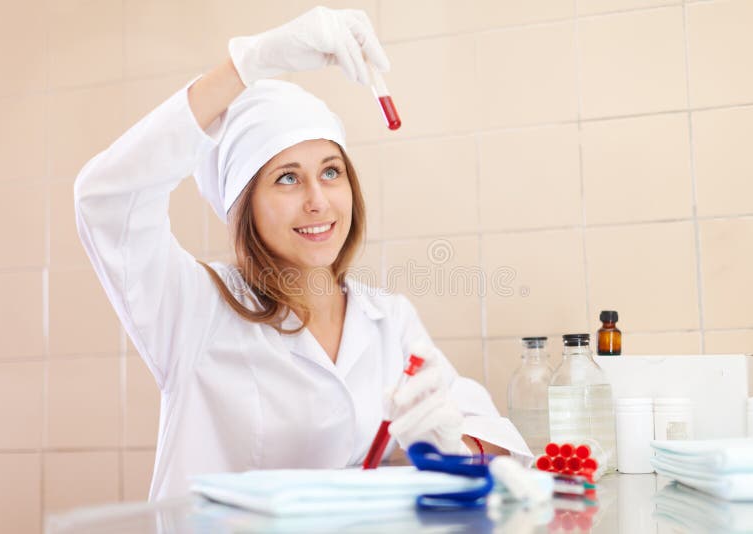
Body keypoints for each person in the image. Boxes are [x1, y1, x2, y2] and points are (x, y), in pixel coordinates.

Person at [74, 7, 532, 501]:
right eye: (288, 178)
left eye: (331, 172)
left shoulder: (388, 320)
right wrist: (248, 64)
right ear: (244, 204)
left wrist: (452, 446)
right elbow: (107, 198)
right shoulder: (193, 309)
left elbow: (492, 440)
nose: (318, 200)